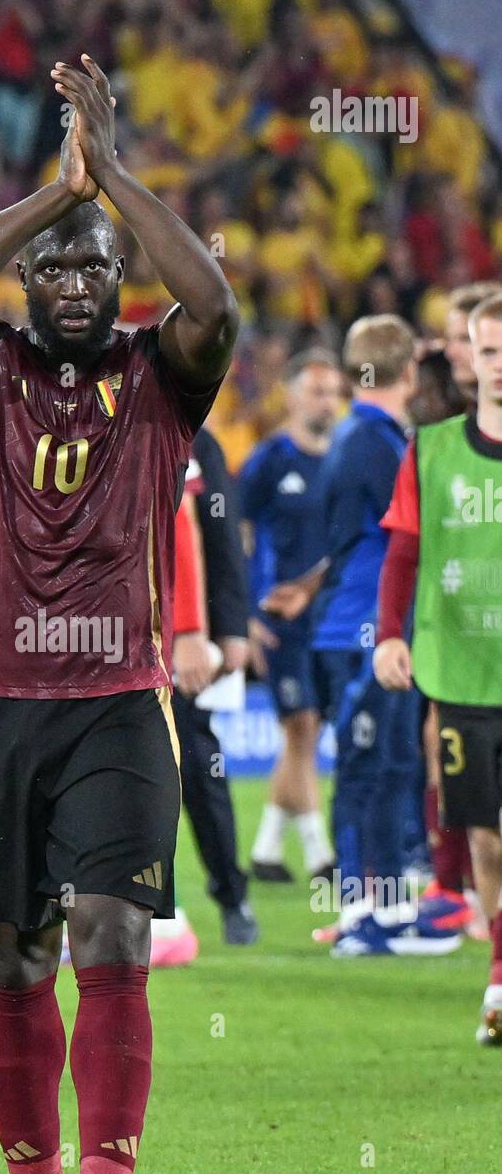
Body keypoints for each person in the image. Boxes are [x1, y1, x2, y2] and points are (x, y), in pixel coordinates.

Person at [0, 53, 238, 1174]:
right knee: (14, 952)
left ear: (118, 279)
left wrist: (112, 180)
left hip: (114, 704)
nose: (80, 282)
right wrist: (53, 196)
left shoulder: (160, 377)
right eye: (56, 267)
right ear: (29, 281)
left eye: (98, 264)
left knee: (112, 933)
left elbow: (217, 305)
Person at [263, 317, 421, 944]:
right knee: (370, 765)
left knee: (383, 762)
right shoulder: (377, 444)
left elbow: (352, 536)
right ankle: (363, 909)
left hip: (355, 624)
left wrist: (307, 586)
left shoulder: (355, 437)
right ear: (408, 373)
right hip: (366, 628)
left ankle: (384, 907)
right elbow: (404, 538)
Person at [374, 293, 502, 1042]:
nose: (499, 367)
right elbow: (403, 550)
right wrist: (390, 634)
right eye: (489, 353)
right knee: (484, 834)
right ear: (471, 360)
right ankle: (497, 977)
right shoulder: (431, 449)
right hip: (459, 671)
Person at [239, 349, 341, 884]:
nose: (328, 401)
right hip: (277, 619)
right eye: (318, 390)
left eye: (334, 391)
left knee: (305, 730)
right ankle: (321, 852)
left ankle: (267, 848)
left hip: (328, 618)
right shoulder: (269, 459)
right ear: (293, 394)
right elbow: (238, 531)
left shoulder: (342, 458)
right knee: (300, 725)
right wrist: (246, 611)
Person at [171, 428, 258, 949]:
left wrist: (230, 628)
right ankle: (146, 904)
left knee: (198, 766)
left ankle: (231, 894)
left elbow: (218, 534)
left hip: (177, 637)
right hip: (101, 637)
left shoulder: (195, 440)